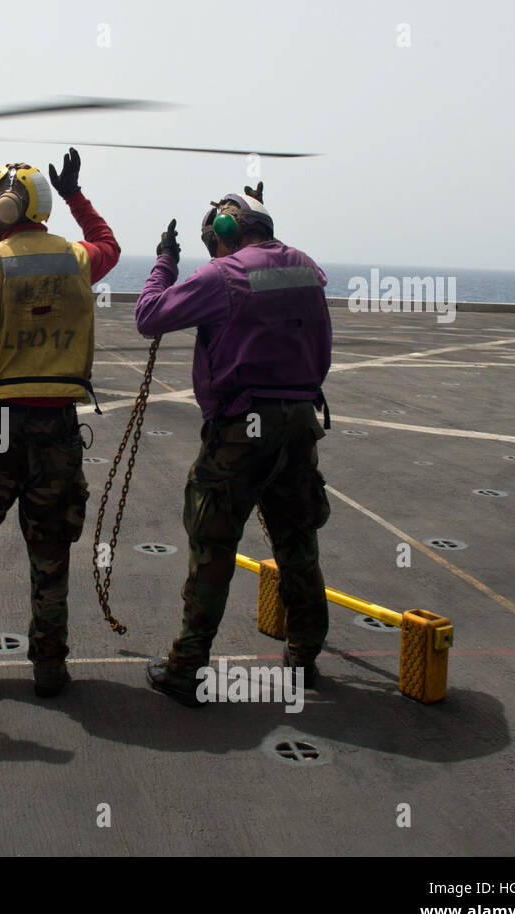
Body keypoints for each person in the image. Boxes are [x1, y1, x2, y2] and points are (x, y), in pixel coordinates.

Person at [0, 148, 119, 697]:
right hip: (56, 427)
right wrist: (75, 196)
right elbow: (109, 244)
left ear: (9, 207)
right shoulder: (77, 259)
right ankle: (50, 664)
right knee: (51, 548)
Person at [133, 184, 333, 707]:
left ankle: (186, 666)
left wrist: (164, 263)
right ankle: (304, 656)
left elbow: (149, 316)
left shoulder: (224, 274)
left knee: (213, 542)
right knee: (296, 540)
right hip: (298, 422)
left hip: (243, 429)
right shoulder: (306, 268)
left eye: (214, 240)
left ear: (226, 231)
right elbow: (321, 349)